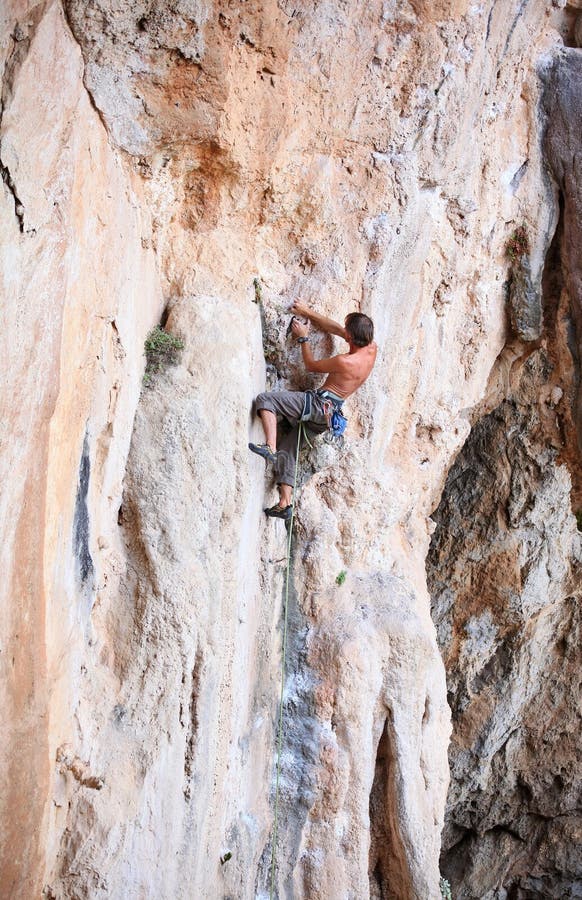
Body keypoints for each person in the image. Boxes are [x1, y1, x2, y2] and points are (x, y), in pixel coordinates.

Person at [249, 302, 377, 519]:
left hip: (318, 406)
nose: (342, 330)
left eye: (346, 330)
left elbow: (310, 365)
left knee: (266, 400)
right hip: (329, 416)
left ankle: (269, 446)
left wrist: (303, 337)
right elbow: (335, 328)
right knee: (289, 449)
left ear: (350, 338)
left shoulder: (345, 362)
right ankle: (285, 502)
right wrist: (307, 312)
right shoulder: (371, 349)